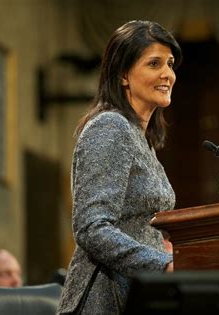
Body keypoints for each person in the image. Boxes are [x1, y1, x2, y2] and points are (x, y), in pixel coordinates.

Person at [56, 20, 182, 314]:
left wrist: (169, 250)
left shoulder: (142, 139)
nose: (168, 74)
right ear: (124, 74)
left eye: (170, 64)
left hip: (138, 297)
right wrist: (164, 265)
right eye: (154, 63)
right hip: (104, 301)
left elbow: (136, 224)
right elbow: (92, 228)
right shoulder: (110, 127)